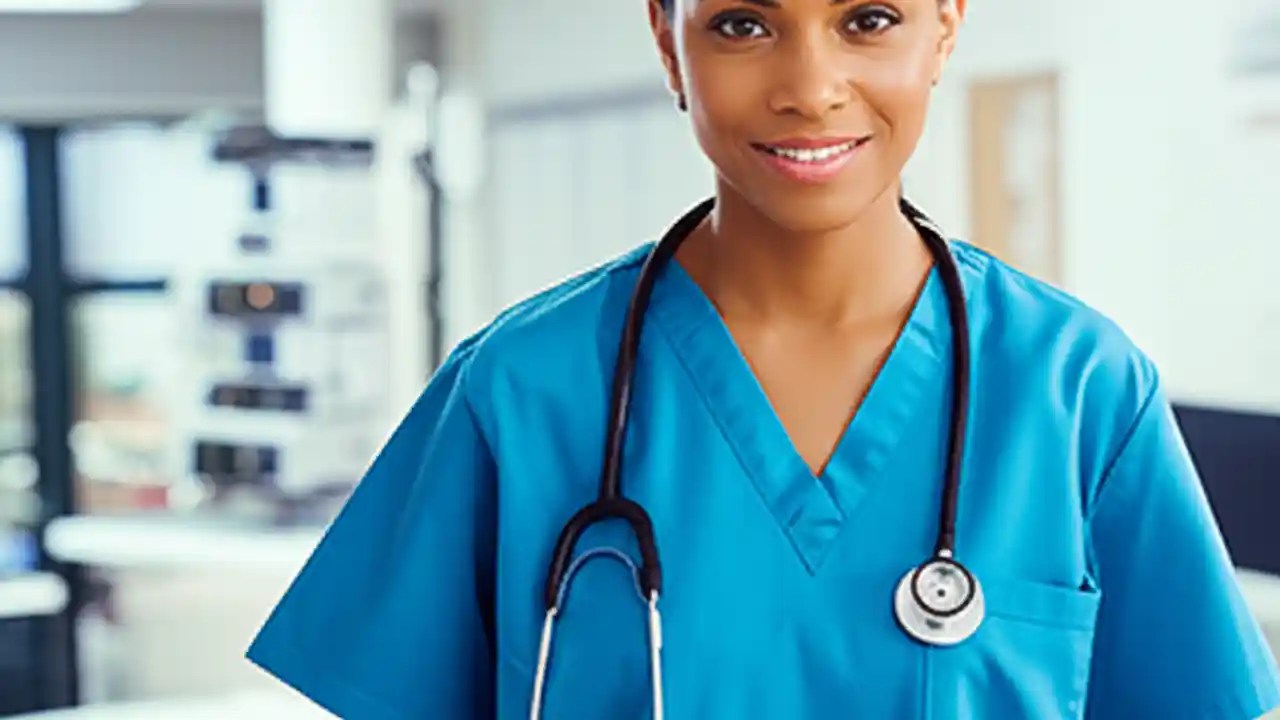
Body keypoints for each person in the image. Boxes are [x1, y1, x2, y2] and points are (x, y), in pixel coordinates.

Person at [246, 0, 1280, 717]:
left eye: (866, 20)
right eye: (741, 24)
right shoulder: (517, 393)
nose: (809, 86)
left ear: (943, 28)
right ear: (666, 40)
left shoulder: (1077, 392)